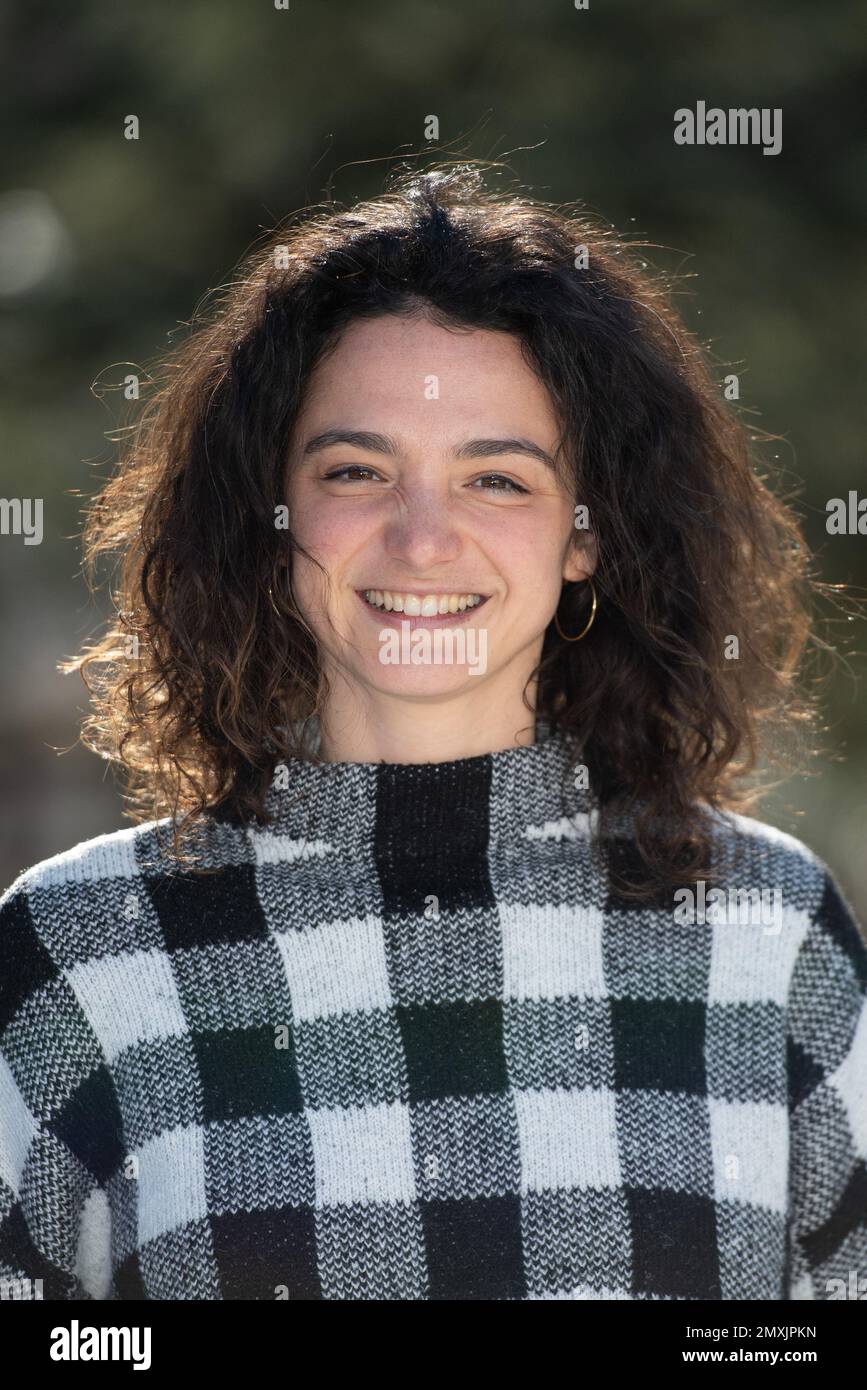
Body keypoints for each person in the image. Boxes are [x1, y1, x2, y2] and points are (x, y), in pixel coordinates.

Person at [1, 163, 864, 1301]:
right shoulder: (81, 952)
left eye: (498, 479)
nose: (422, 541)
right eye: (357, 471)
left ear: (586, 537)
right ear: (271, 518)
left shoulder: (769, 928)